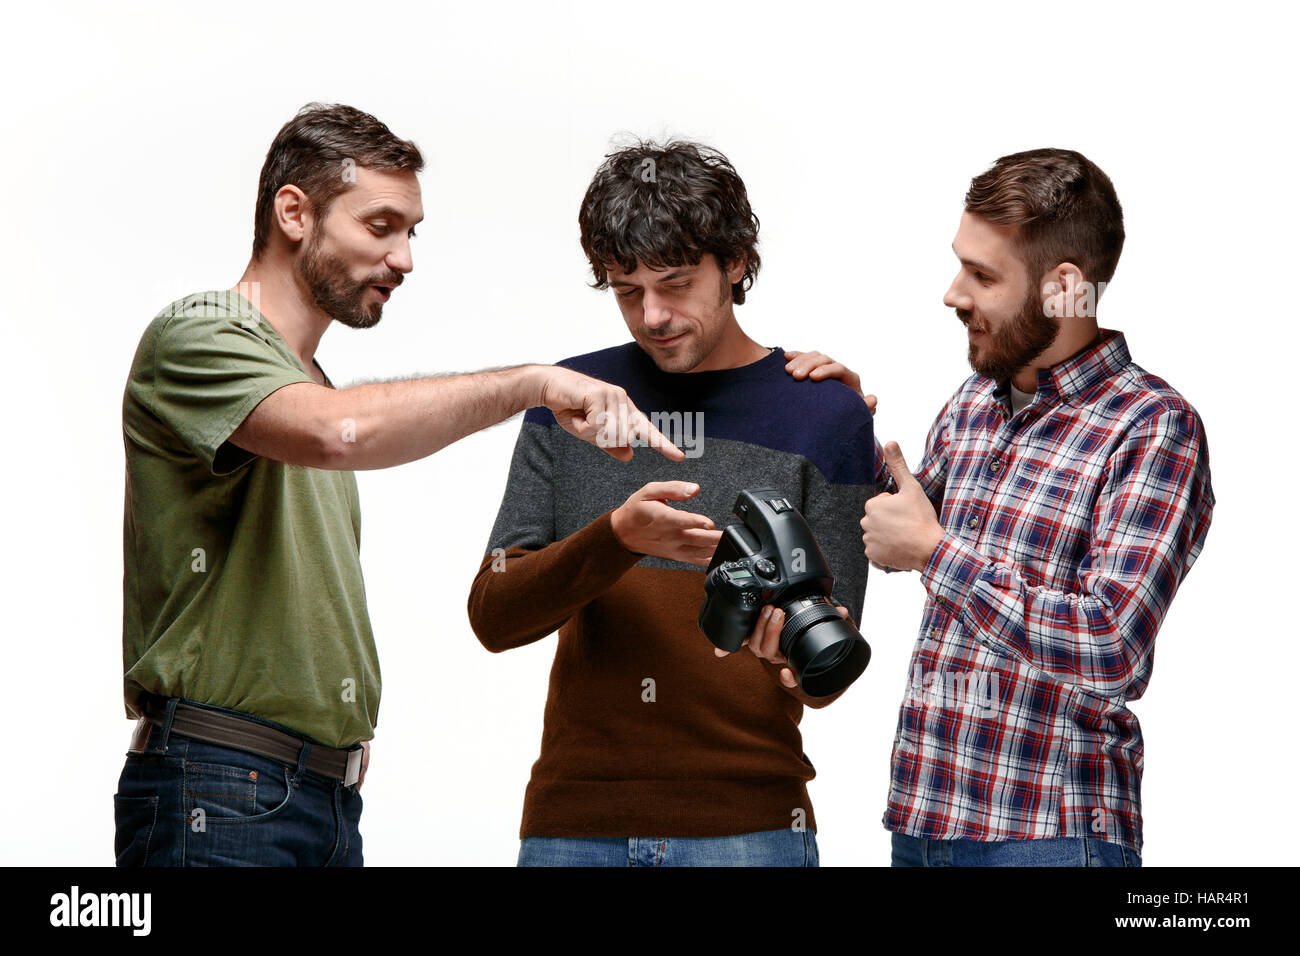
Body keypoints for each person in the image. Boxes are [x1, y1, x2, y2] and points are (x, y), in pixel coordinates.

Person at [115, 103, 680, 867]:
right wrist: (533, 384)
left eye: (412, 233)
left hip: (313, 797)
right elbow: (340, 431)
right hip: (220, 789)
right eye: (381, 226)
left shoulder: (305, 383)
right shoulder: (203, 332)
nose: (405, 258)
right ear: (294, 213)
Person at [467, 140, 875, 867]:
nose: (652, 315)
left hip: (751, 829)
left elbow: (825, 672)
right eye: (627, 290)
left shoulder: (825, 414)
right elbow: (494, 617)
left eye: (676, 283)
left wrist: (776, 648)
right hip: (574, 827)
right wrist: (616, 538)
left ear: (737, 262)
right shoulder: (569, 402)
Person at [859, 147, 1215, 866]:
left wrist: (936, 555)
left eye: (983, 275)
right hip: (924, 820)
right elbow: (897, 528)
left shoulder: (1152, 426)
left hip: (1049, 834)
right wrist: (835, 422)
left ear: (1063, 288)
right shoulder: (974, 402)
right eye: (960, 265)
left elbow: (1111, 645)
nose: (953, 294)